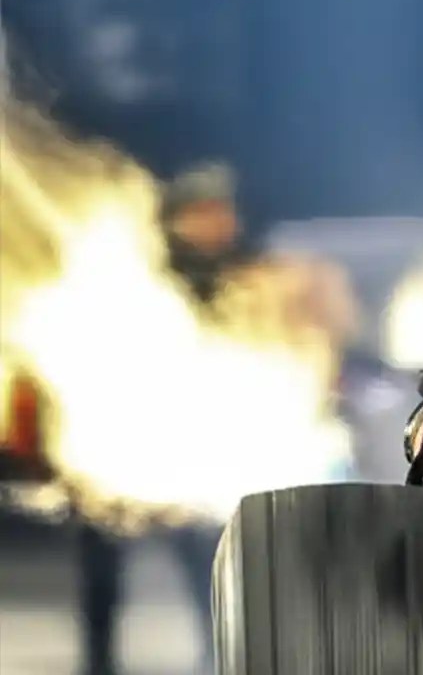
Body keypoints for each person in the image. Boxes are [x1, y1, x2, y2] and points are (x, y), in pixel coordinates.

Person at [77, 162, 247, 675]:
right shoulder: (143, 271)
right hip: (123, 434)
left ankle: (216, 656)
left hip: (187, 439)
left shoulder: (228, 275)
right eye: (213, 212)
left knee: (204, 558)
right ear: (184, 218)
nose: (227, 223)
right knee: (103, 560)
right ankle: (99, 661)